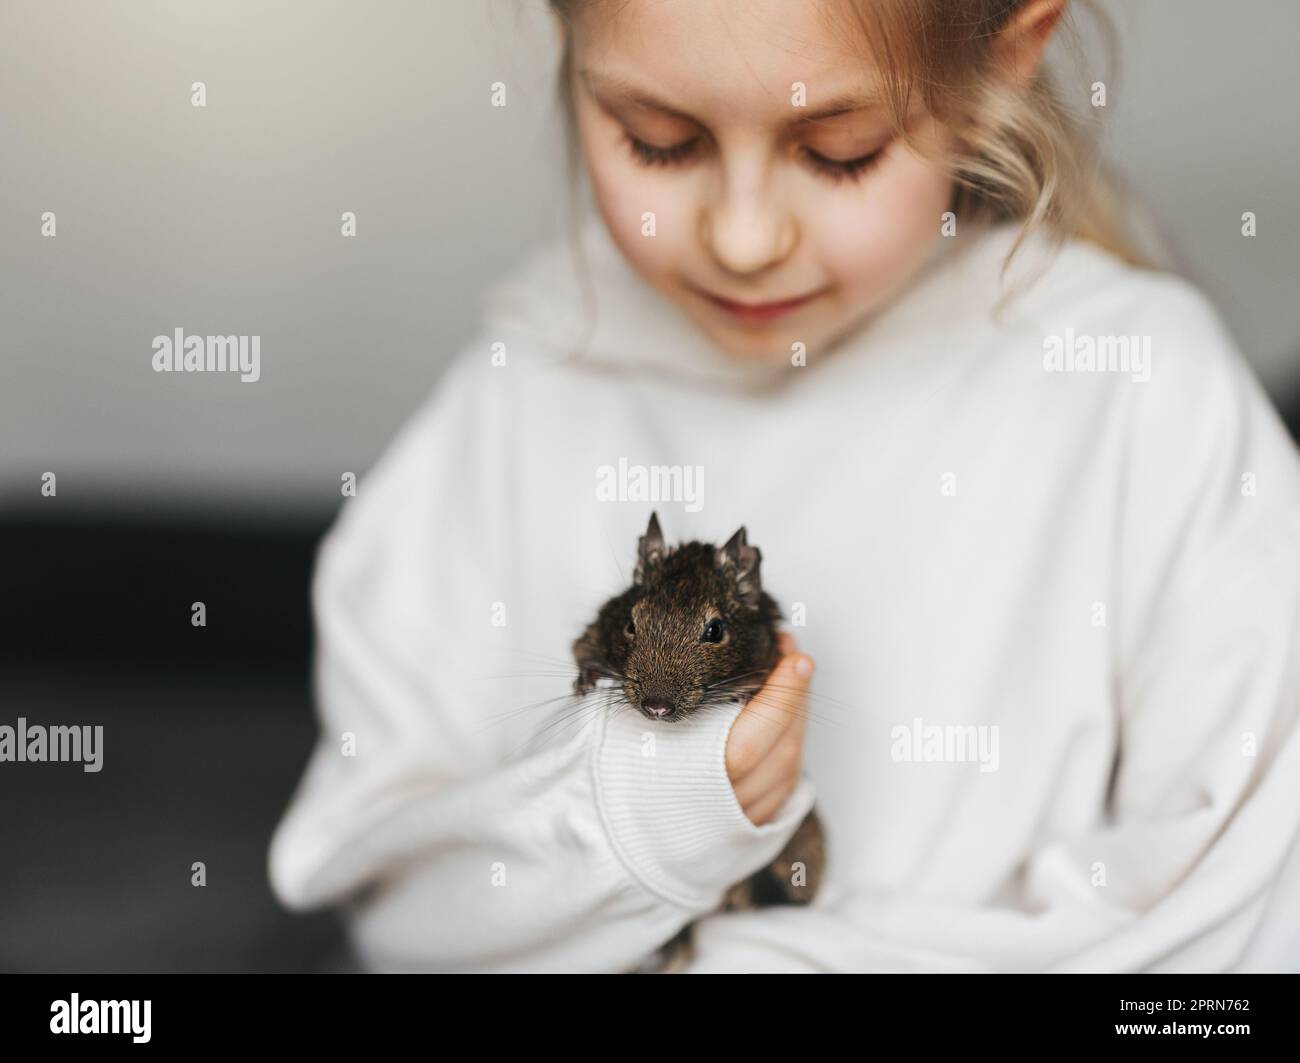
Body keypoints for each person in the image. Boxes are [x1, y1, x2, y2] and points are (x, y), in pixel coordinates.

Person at [267, 0, 1300, 972]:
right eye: (658, 139)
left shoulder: (1142, 395)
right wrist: (633, 812)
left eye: (838, 152)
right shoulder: (518, 394)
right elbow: (392, 906)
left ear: (1004, 54)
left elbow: (1228, 937)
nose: (743, 238)